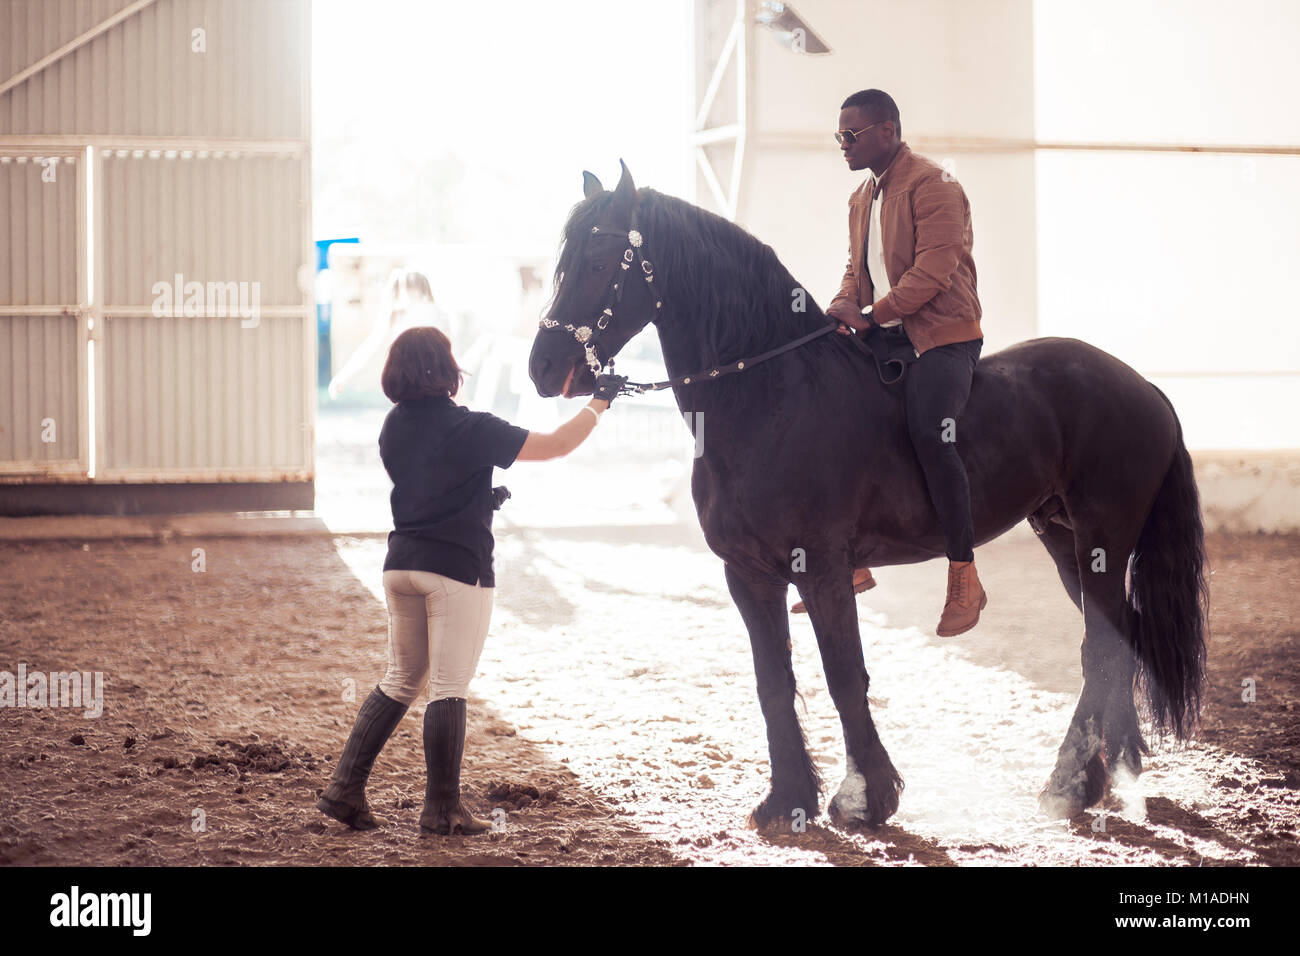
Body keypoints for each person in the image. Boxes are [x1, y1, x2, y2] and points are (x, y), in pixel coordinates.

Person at [316, 326, 625, 833]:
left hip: (401, 567)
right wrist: (599, 403)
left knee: (399, 679)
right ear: (445, 369)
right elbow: (554, 446)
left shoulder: (392, 426)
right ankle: (441, 810)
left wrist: (481, 496)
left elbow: (432, 483)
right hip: (456, 570)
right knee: (448, 685)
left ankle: (343, 791)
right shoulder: (471, 427)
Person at [804, 88, 987, 637]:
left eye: (850, 135)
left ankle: (964, 572)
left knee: (932, 432)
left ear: (888, 130)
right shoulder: (863, 196)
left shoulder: (935, 185)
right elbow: (855, 268)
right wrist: (842, 305)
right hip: (884, 333)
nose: (843, 145)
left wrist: (871, 313)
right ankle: (851, 561)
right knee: (820, 410)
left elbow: (931, 275)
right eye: (839, 136)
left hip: (942, 337)